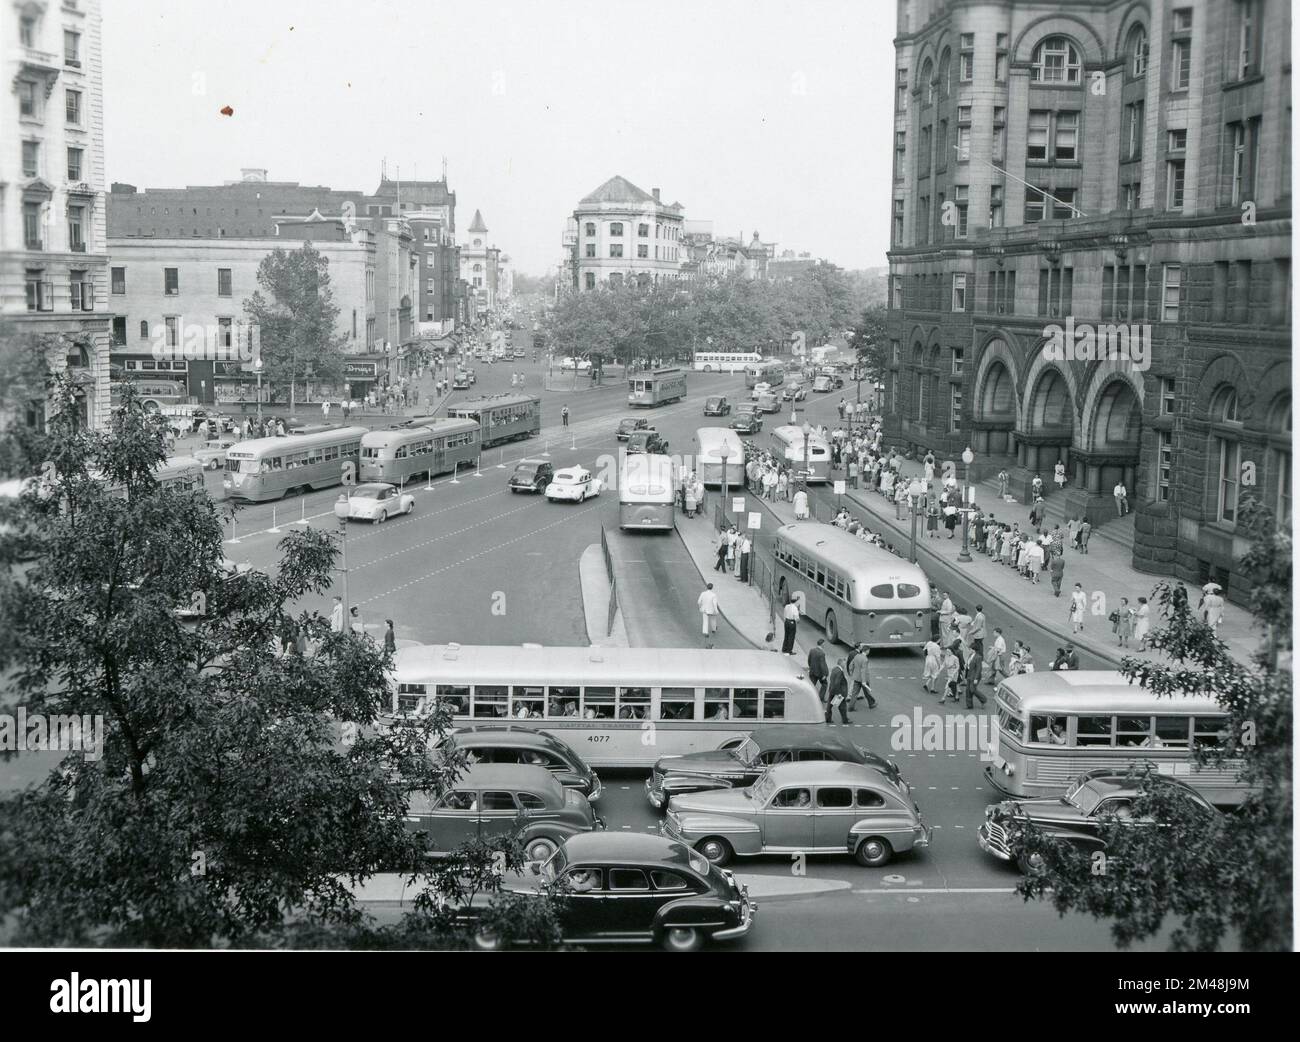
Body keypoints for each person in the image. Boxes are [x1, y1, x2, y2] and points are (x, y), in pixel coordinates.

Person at [825, 657, 850, 724]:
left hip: (832, 690)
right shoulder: (840, 671)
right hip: (838, 692)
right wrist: (839, 693)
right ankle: (845, 720)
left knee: (829, 705)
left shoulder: (834, 669)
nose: (845, 665)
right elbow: (837, 683)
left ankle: (828, 718)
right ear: (841, 663)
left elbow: (832, 680)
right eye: (844, 663)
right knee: (843, 707)